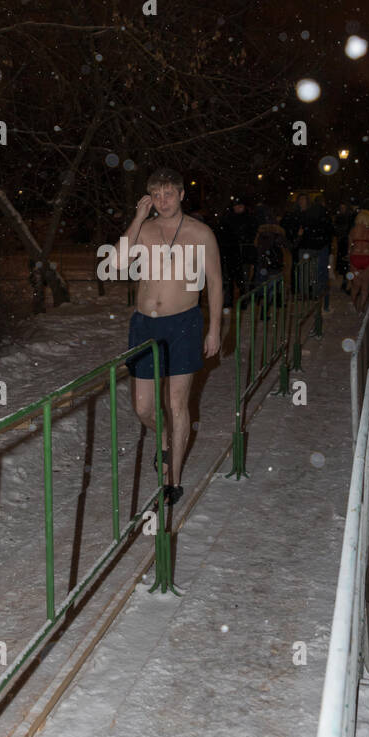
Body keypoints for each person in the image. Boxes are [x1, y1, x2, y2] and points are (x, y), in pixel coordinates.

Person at [119, 167, 223, 506]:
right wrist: (137, 217)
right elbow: (120, 263)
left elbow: (216, 282)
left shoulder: (200, 232)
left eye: (169, 194)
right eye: (157, 195)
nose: (163, 201)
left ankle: (172, 479)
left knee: (178, 403)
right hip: (145, 326)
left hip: (184, 324)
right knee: (144, 408)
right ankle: (162, 437)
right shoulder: (145, 230)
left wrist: (215, 329)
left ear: (181, 194)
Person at [218, 197, 257, 309]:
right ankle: (228, 300)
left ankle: (243, 300)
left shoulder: (249, 219)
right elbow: (222, 235)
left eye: (240, 205)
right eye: (236, 205)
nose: (238, 207)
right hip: (230, 253)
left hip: (244, 254)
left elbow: (252, 235)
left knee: (243, 279)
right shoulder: (227, 219)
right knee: (228, 279)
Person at [297, 197, 335, 309]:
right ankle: (315, 293)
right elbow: (330, 231)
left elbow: (301, 229)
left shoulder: (306, 214)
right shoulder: (324, 216)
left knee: (304, 271)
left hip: (306, 245)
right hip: (318, 246)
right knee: (316, 271)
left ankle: (304, 293)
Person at [348, 210, 369, 314]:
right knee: (365, 286)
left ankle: (353, 303)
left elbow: (349, 249)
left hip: (355, 259)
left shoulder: (353, 231)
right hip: (368, 259)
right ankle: (361, 308)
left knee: (356, 285)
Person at [334, 201, 356, 293]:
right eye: (341, 208)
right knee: (344, 265)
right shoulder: (339, 218)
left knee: (348, 264)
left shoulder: (350, 218)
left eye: (344, 208)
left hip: (348, 243)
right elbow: (336, 230)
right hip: (342, 243)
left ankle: (349, 284)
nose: (342, 210)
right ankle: (345, 283)